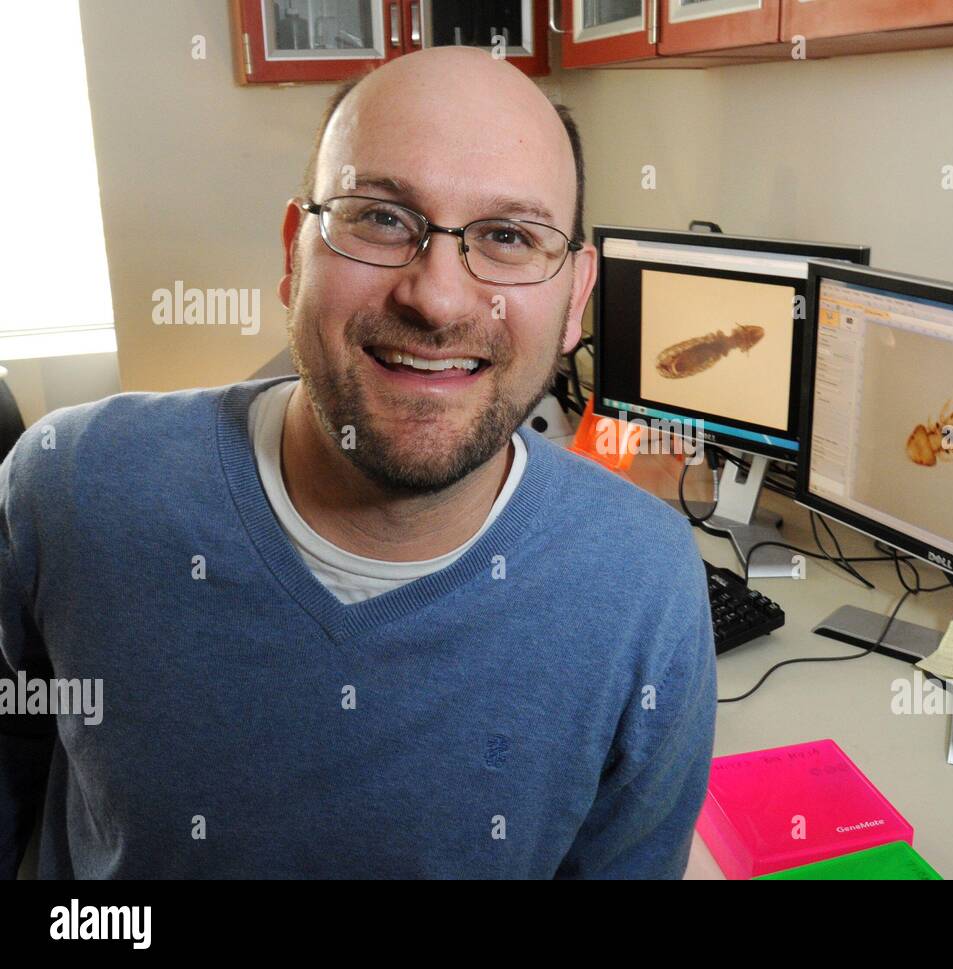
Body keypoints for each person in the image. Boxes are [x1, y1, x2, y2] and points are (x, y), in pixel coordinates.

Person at [0, 47, 716, 879]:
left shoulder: (648, 582)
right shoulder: (71, 486)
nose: (437, 298)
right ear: (293, 255)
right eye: (379, 217)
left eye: (509, 236)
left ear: (575, 300)